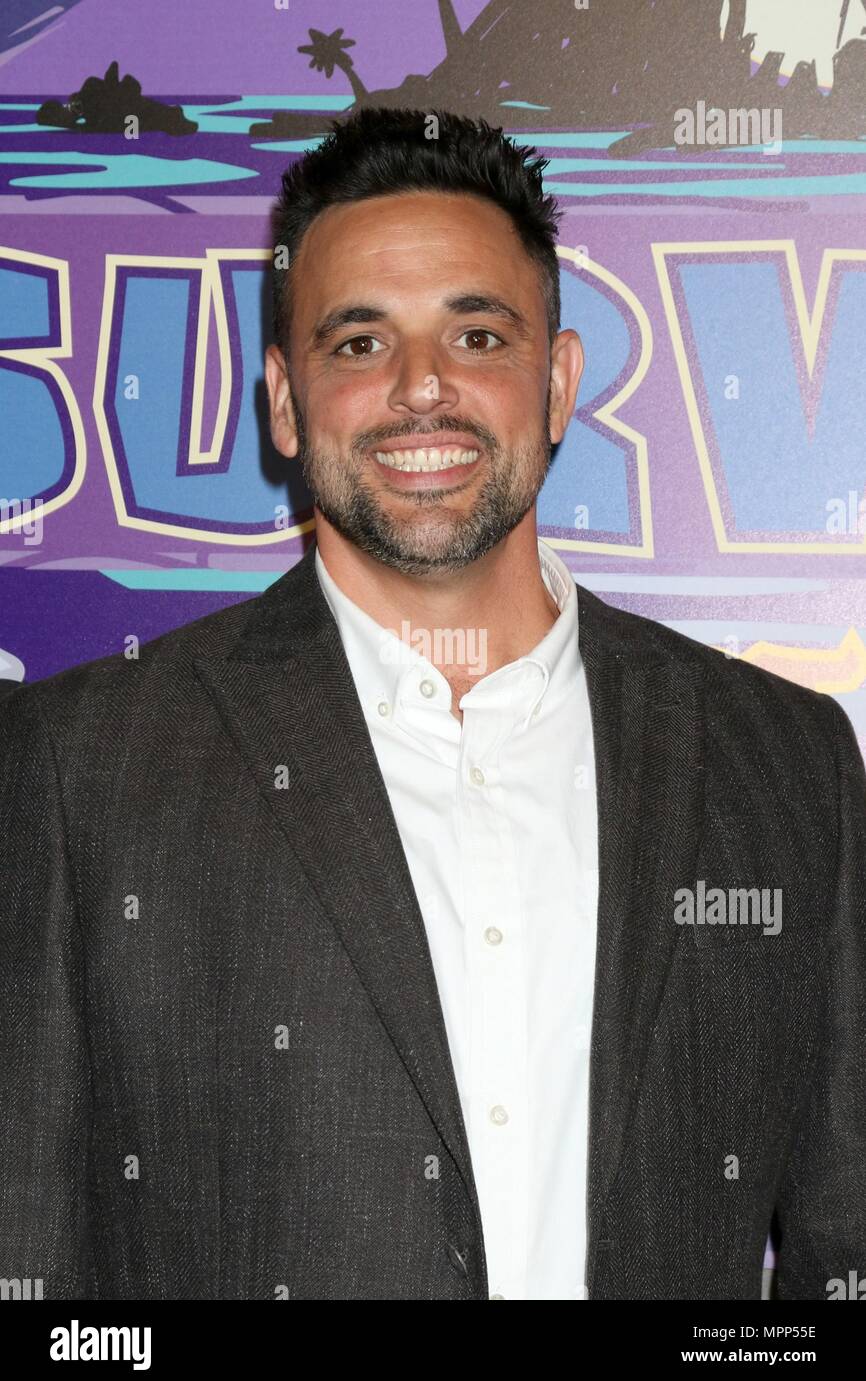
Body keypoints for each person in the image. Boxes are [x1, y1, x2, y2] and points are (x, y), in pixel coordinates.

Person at [1, 106, 864, 1301]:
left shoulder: (785, 757)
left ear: (555, 382)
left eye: (475, 334)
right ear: (285, 402)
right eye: (357, 344)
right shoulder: (75, 764)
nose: (420, 389)